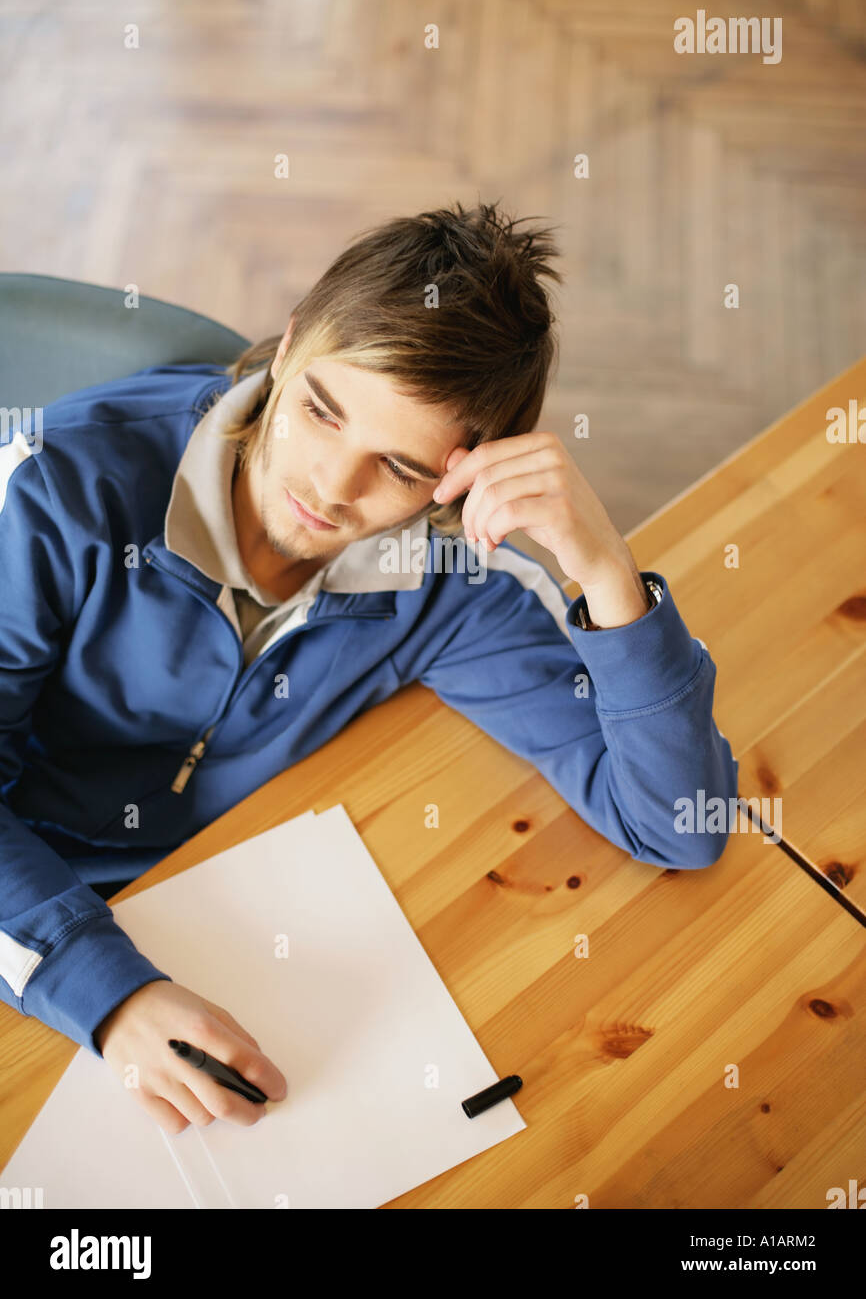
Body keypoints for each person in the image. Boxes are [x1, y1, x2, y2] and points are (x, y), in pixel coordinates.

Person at [0, 200, 738, 1135]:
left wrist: (605, 574)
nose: (327, 486)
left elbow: (678, 826)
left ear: (463, 477)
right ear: (295, 337)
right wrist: (108, 995)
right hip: (36, 916)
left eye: (395, 465)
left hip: (230, 931)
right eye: (318, 409)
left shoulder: (450, 581)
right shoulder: (61, 486)